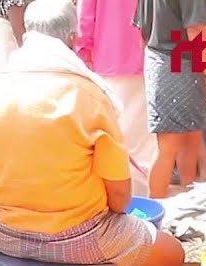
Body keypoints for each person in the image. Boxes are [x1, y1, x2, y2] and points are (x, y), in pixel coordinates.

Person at [0, 0, 184, 266]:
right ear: (71, 38)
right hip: (80, 238)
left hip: (6, 234)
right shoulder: (90, 96)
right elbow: (119, 199)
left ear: (26, 34)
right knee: (172, 255)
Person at [134, 0, 206, 198]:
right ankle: (157, 205)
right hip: (180, 61)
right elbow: (196, 30)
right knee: (170, 145)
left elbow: (141, 27)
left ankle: (186, 199)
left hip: (161, 58)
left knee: (190, 138)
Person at [75, 0, 153, 195]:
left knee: (115, 136)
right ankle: (144, 198)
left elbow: (85, 18)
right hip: (154, 56)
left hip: (109, 57)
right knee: (147, 140)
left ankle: (125, 197)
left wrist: (83, 53)